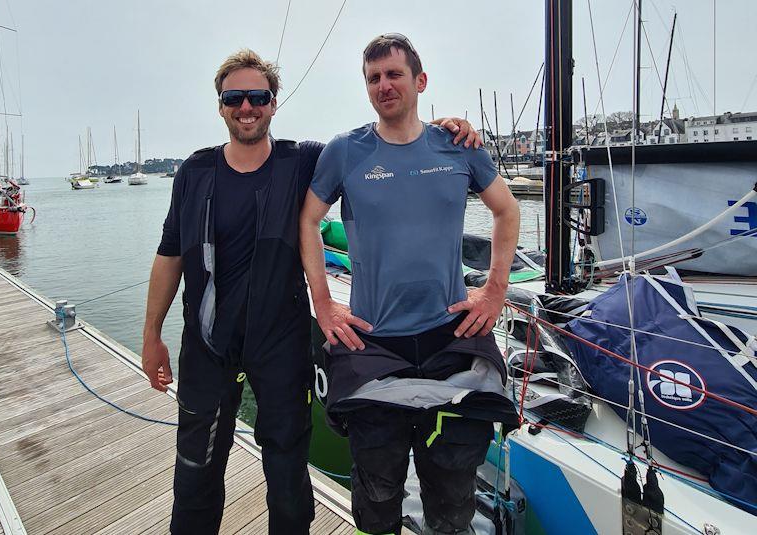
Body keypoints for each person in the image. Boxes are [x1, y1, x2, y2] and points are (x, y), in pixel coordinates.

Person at [141, 48, 482, 535]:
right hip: (207, 345)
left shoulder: (303, 160)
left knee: (286, 475)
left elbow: (383, 144)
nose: (246, 107)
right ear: (220, 105)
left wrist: (441, 130)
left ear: (273, 102)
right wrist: (152, 333)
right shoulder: (194, 173)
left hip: (281, 345)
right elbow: (170, 254)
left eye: (257, 96)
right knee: (196, 472)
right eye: (234, 97)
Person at [299, 34, 521, 535]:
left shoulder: (456, 145)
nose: (384, 85)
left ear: (420, 81)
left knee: (453, 497)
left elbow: (507, 210)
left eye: (394, 74)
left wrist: (494, 292)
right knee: (376, 496)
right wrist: (323, 306)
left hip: (450, 336)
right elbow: (309, 221)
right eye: (374, 78)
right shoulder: (346, 151)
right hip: (373, 339)